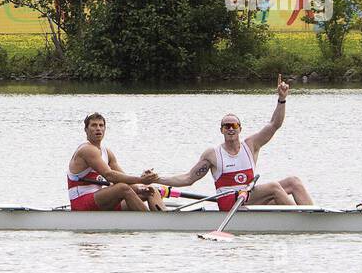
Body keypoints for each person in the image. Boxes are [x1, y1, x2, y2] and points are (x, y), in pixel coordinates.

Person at [155, 76, 312, 209]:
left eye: (234, 125)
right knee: (273, 187)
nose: (230, 129)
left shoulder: (251, 145)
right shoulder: (212, 154)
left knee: (294, 182)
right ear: (221, 130)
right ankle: (301, 219)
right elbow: (188, 178)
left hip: (248, 197)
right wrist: (157, 179)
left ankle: (315, 216)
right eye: (226, 126)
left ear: (240, 129)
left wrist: (282, 99)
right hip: (229, 202)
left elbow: (274, 124)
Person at [67, 113, 163, 211]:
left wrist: (140, 188)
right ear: (86, 130)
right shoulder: (86, 149)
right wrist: (141, 179)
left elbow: (121, 176)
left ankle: (163, 220)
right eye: (94, 125)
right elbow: (110, 175)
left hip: (100, 200)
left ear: (105, 129)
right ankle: (150, 222)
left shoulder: (107, 152)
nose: (98, 128)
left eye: (101, 125)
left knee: (151, 190)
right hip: (81, 202)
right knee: (122, 188)